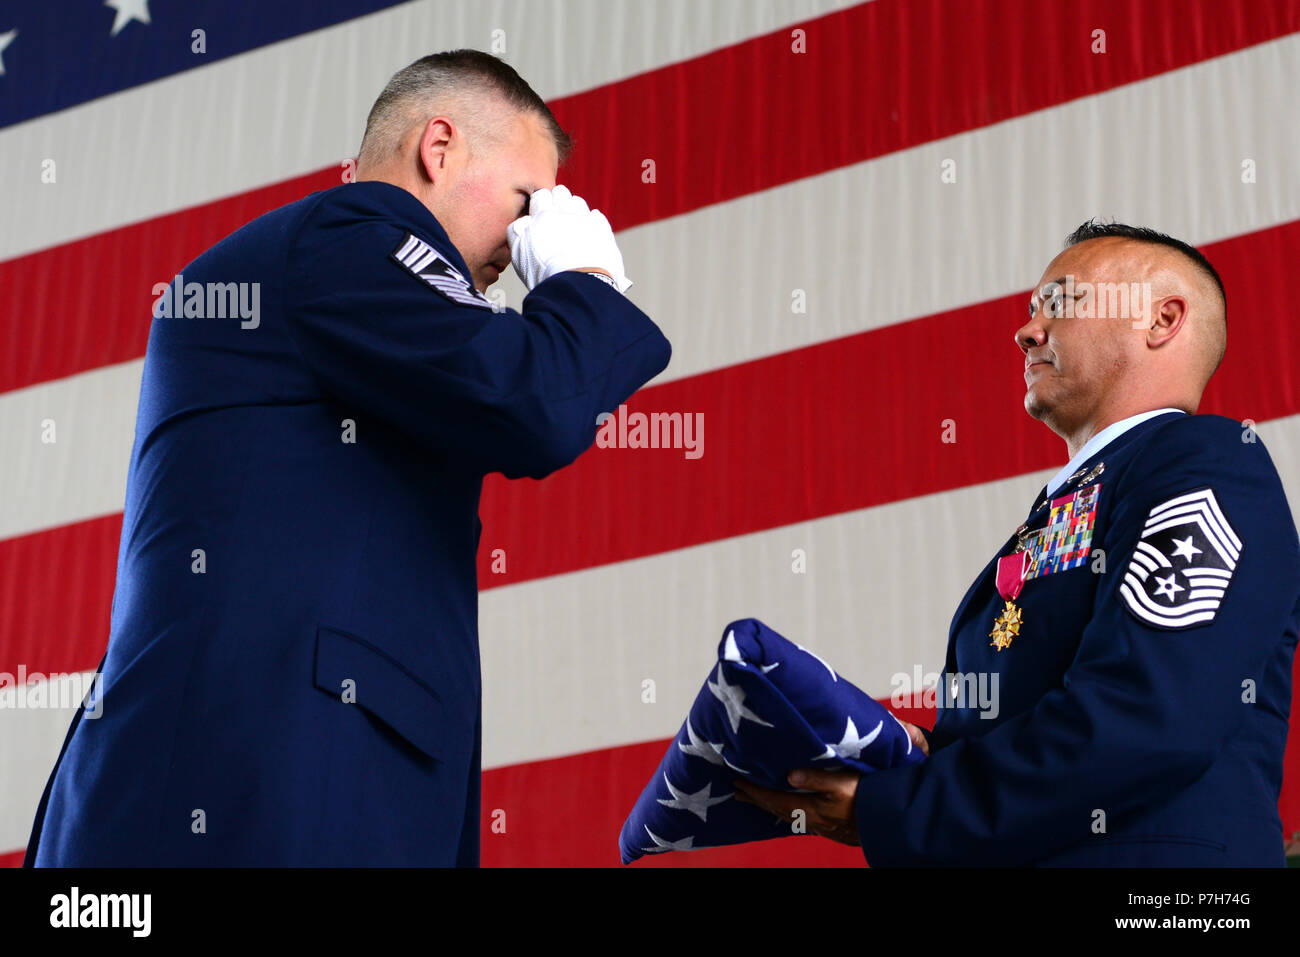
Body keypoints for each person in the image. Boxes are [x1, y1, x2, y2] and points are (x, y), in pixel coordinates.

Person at [25, 50, 670, 866]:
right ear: (440, 148)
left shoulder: (357, 295)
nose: (525, 236)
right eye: (527, 200)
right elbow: (530, 403)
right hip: (260, 790)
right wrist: (583, 285)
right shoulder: (350, 236)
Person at [734, 221, 1300, 865]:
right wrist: (912, 755)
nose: (1026, 330)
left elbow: (1150, 716)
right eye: (1033, 311)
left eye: (1060, 303)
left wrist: (903, 804)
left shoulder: (1203, 462)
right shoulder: (1081, 498)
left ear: (1162, 320)